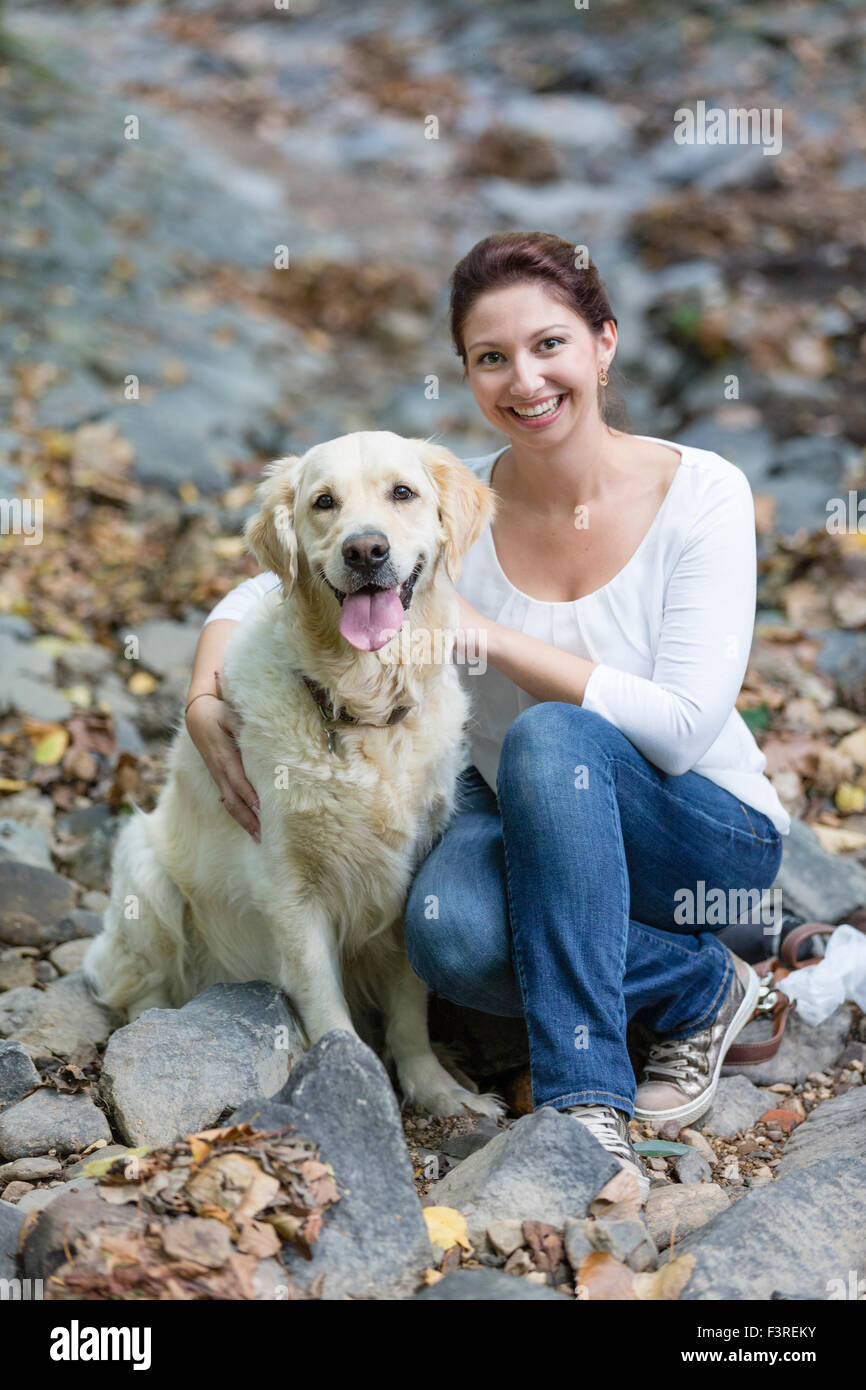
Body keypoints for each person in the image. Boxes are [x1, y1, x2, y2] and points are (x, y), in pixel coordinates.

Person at [184, 232, 789, 1196]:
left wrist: (492, 638)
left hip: (699, 831)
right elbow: (283, 583)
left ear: (605, 344)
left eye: (551, 344)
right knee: (445, 936)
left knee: (553, 736)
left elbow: (679, 727)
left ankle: (586, 1101)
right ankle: (700, 985)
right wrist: (205, 691)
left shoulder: (704, 492)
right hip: (530, 822)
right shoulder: (446, 494)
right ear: (466, 372)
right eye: (491, 358)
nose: (526, 380)